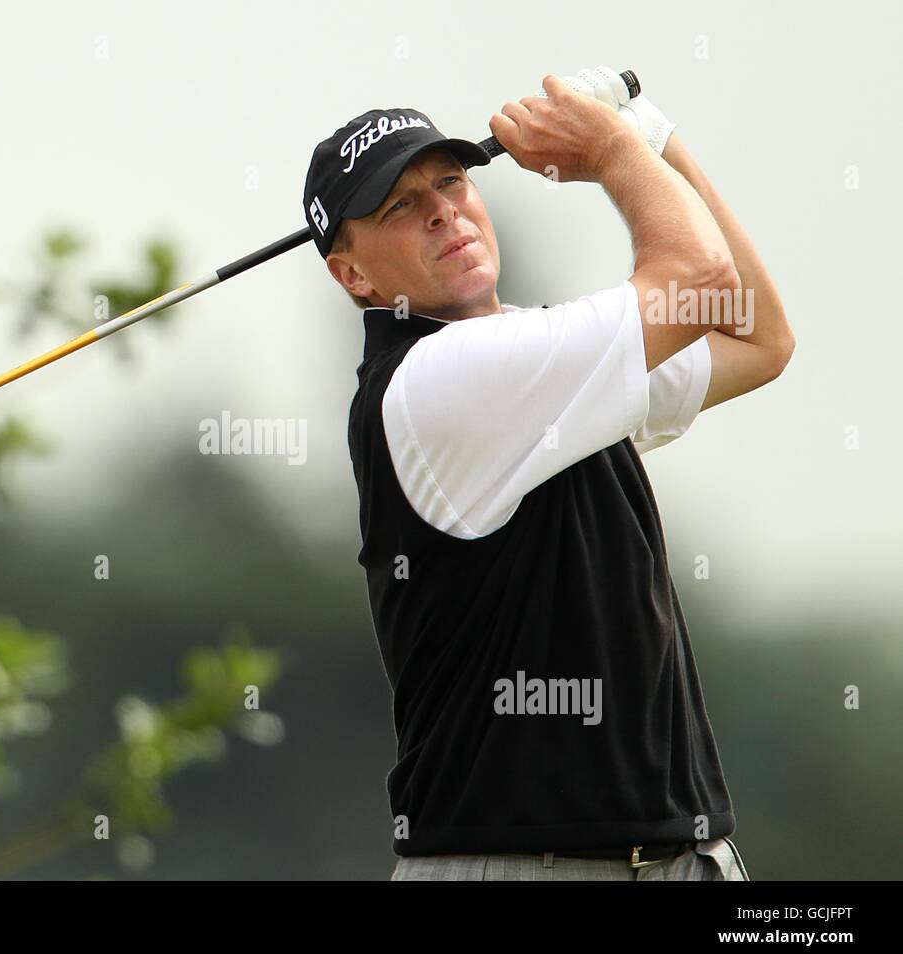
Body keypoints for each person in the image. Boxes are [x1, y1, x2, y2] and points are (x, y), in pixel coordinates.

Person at [301, 67, 794, 880]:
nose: (441, 209)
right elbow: (697, 283)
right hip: (519, 863)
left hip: (679, 858)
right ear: (354, 276)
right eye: (398, 206)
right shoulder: (436, 380)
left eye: (452, 179)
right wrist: (610, 152)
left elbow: (758, 336)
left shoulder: (535, 356)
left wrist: (656, 142)